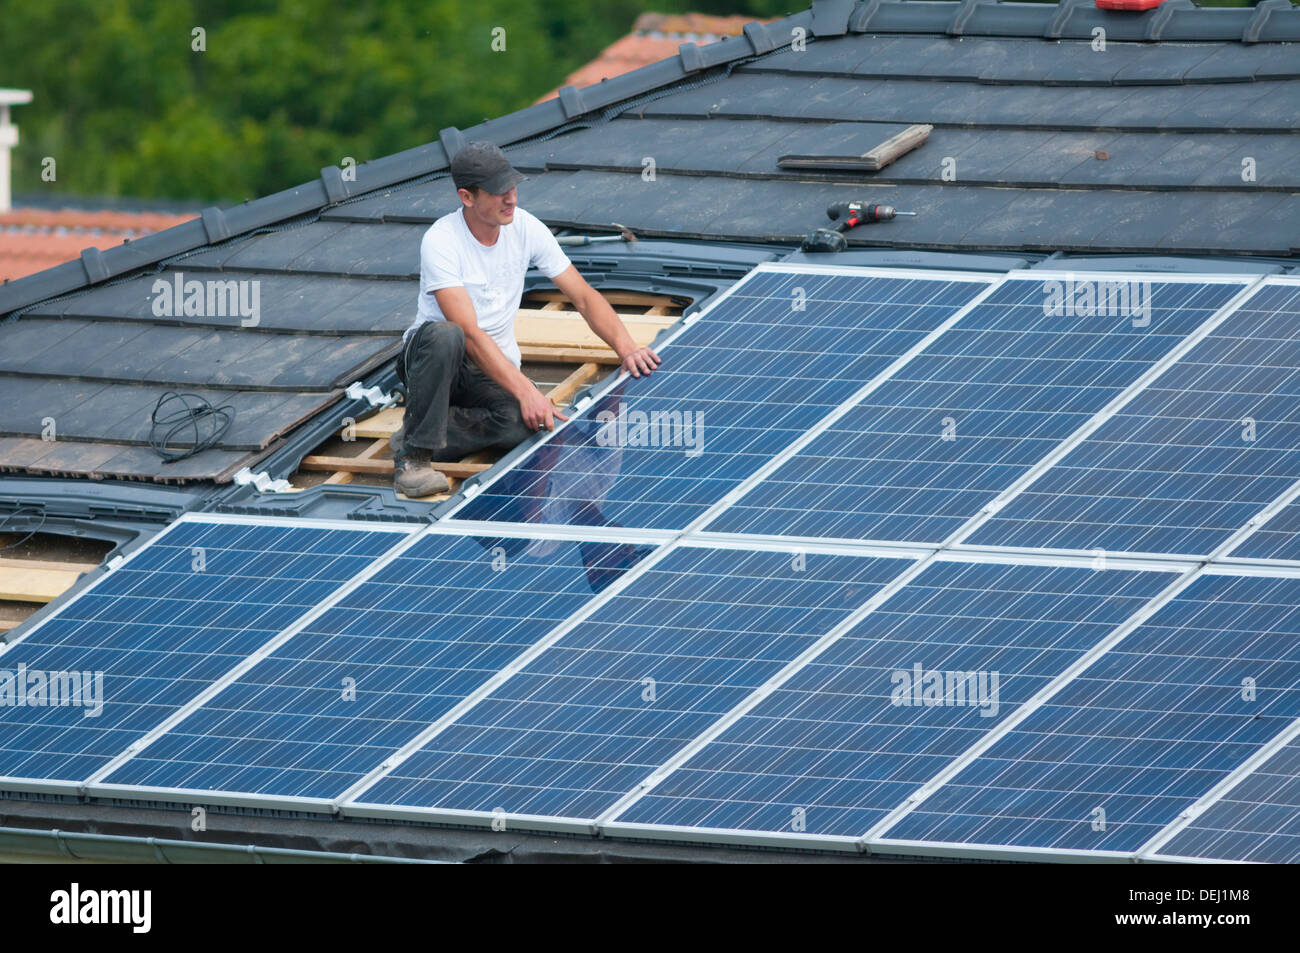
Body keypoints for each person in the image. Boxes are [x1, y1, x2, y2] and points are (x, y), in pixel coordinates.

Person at [392, 141, 660, 497]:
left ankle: (425, 428)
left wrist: (627, 349)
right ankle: (414, 459)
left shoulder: (526, 227)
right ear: (467, 197)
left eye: (512, 188)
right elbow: (470, 333)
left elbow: (581, 295)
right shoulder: (442, 241)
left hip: (491, 368)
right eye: (497, 192)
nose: (511, 199)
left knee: (528, 425)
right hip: (436, 359)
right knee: (447, 333)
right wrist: (526, 390)